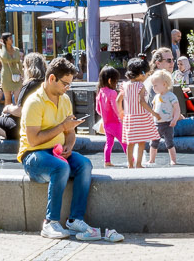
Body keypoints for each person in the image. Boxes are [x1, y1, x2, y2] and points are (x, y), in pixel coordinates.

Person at [19, 60, 119, 241]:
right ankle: (50, 222)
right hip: (33, 155)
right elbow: (33, 140)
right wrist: (62, 127)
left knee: (85, 164)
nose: (68, 88)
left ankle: (75, 220)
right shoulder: (34, 102)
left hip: (57, 153)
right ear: (52, 78)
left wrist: (69, 145)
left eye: (69, 84)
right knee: (61, 167)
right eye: (65, 83)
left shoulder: (64, 99)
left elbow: (70, 133)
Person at [120, 56, 158, 168]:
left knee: (130, 143)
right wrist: (153, 113)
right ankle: (139, 163)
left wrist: (120, 112)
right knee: (141, 142)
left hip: (129, 117)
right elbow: (142, 101)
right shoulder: (141, 86)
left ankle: (130, 164)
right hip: (141, 117)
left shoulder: (125, 85)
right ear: (141, 74)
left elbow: (118, 100)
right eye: (146, 74)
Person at [147, 69, 182, 165]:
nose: (153, 88)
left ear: (164, 84)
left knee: (169, 143)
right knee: (153, 143)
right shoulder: (156, 97)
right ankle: (151, 159)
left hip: (168, 124)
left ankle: (173, 160)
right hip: (157, 124)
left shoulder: (171, 96)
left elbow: (177, 109)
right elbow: (154, 109)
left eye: (155, 85)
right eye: (153, 85)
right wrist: (151, 119)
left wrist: (175, 119)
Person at [94, 65, 124, 166]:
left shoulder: (100, 92)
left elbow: (98, 109)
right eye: (116, 81)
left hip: (106, 124)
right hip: (115, 123)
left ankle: (107, 161)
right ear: (110, 80)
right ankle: (132, 160)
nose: (116, 83)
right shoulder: (112, 93)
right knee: (124, 142)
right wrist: (121, 116)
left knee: (109, 143)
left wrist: (104, 115)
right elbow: (115, 108)